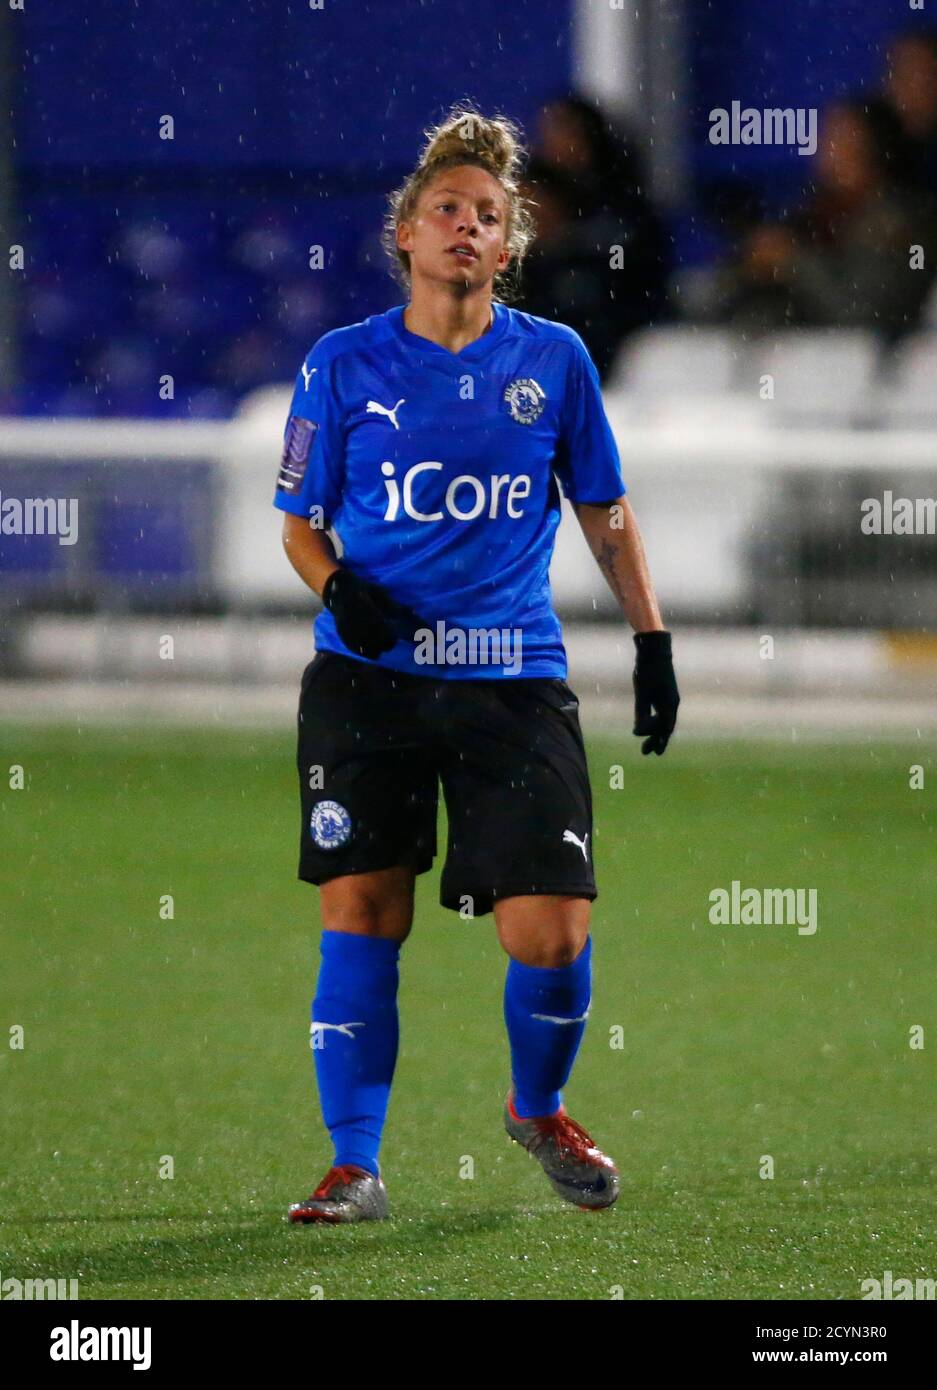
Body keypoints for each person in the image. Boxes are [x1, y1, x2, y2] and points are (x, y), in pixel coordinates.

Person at [273, 103, 679, 1224]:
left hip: (509, 677)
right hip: (369, 680)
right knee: (363, 910)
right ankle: (354, 1160)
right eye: (444, 209)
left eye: (486, 215)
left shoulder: (552, 361)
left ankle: (537, 1105)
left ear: (510, 246)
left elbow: (601, 508)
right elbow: (299, 520)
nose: (464, 227)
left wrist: (650, 639)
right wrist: (335, 581)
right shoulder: (339, 364)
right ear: (404, 233)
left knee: (550, 929)